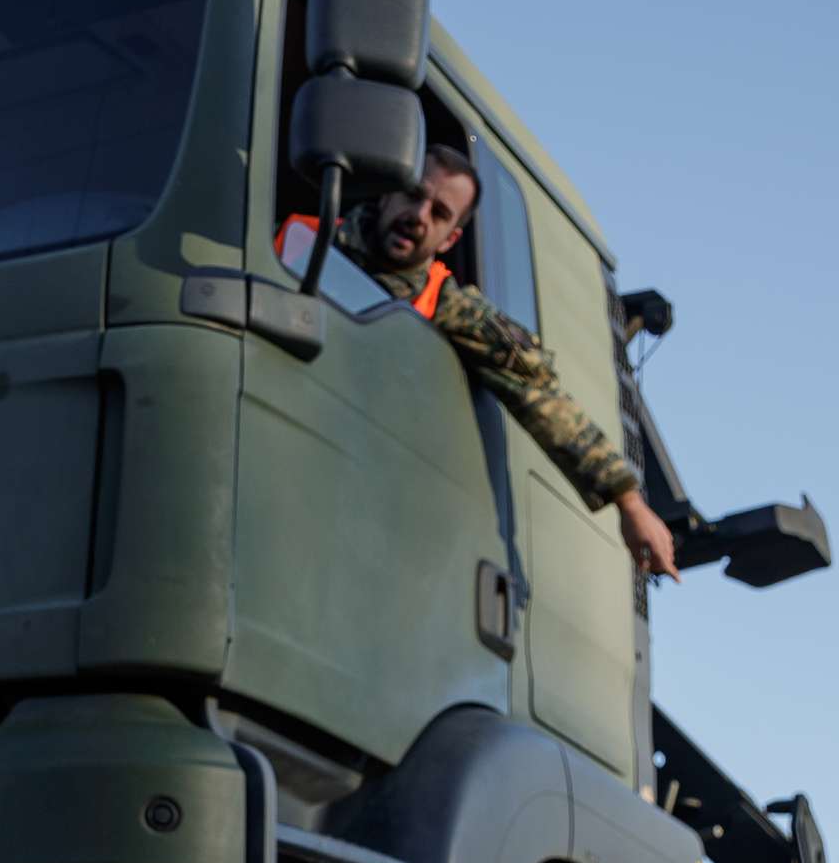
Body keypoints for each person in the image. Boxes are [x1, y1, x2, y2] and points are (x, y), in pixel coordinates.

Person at [286, 145, 678, 580]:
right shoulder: (295, 236)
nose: (419, 216)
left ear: (451, 237)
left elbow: (541, 394)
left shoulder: (448, 305)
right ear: (389, 193)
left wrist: (629, 500)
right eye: (414, 195)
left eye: (439, 213)